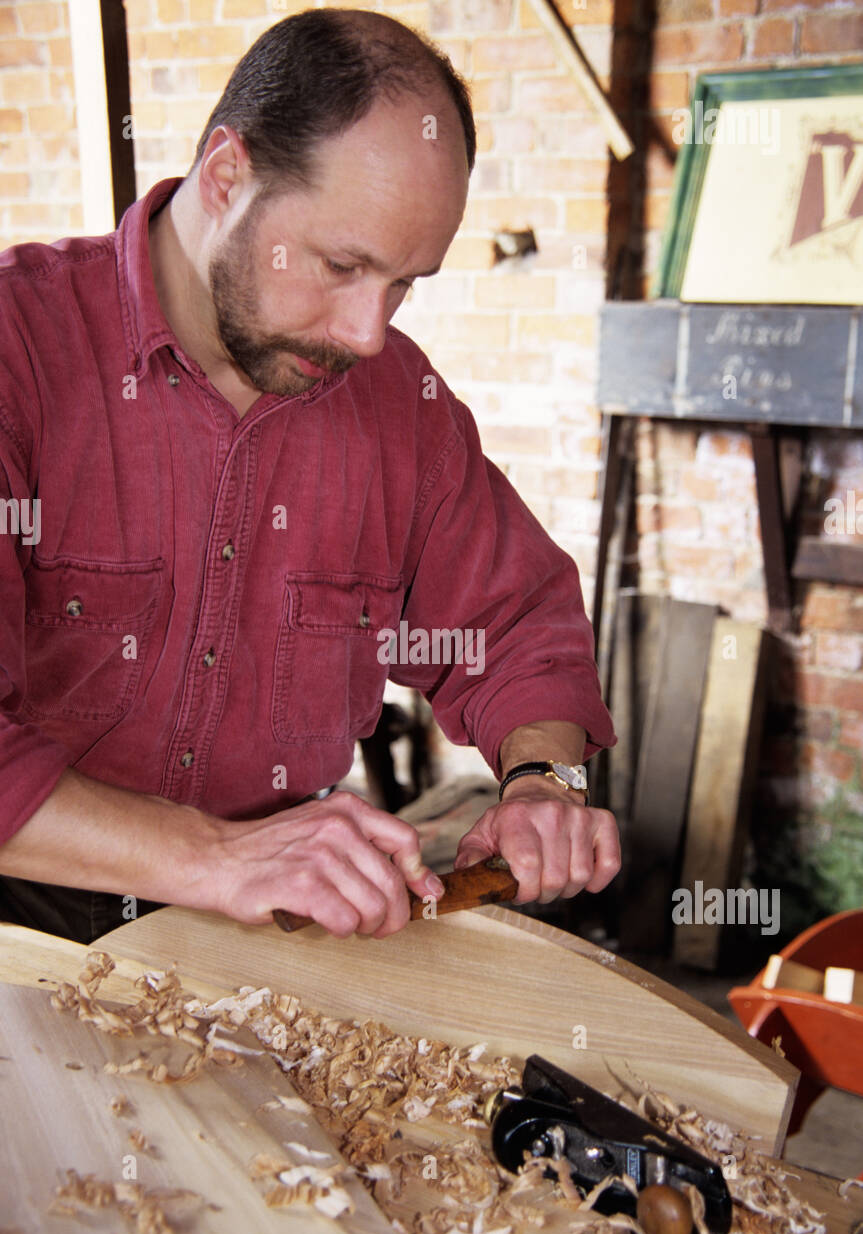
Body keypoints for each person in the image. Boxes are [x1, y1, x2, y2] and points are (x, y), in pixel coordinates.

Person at [0, 8, 619, 945]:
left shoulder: (397, 404)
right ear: (225, 176)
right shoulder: (20, 352)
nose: (368, 333)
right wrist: (213, 857)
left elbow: (517, 627)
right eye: (340, 265)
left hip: (269, 939)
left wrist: (546, 782)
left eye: (405, 283)